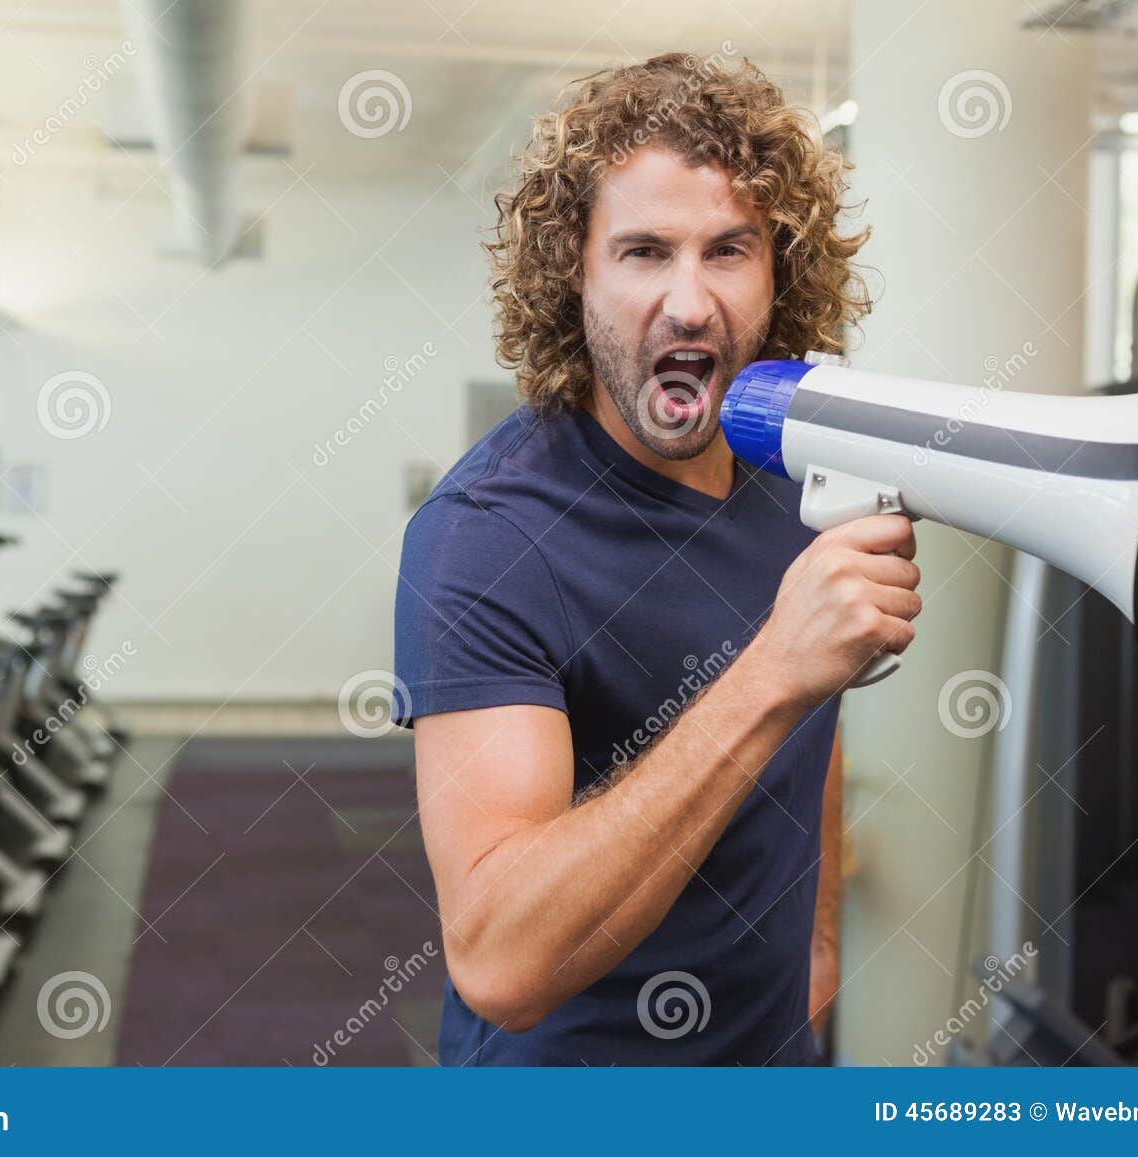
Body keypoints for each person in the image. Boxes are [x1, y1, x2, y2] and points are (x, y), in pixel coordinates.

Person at [393, 52, 921, 1065]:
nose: (689, 303)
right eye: (643, 252)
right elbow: (500, 961)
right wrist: (772, 669)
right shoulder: (486, 532)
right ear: (573, 274)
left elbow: (816, 730)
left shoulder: (801, 473)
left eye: (729, 250)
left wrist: (813, 953)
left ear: (781, 271)